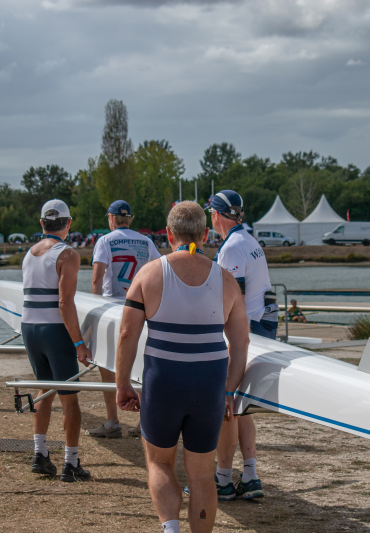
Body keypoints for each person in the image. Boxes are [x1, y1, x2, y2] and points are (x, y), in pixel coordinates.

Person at [115, 201, 249, 533]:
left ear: (168, 233)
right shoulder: (226, 280)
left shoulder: (149, 274)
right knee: (202, 474)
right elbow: (241, 343)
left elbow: (128, 334)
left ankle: (171, 529)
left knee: (160, 463)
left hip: (164, 381)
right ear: (205, 234)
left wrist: (123, 385)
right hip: (209, 384)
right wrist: (229, 391)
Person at [209, 190, 277, 501]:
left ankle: (223, 480)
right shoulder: (249, 241)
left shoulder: (232, 247)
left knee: (226, 405)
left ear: (216, 215)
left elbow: (233, 298)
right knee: (241, 407)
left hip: (243, 331)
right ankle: (250, 475)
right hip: (261, 326)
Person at [22, 199, 92, 483]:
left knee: (45, 390)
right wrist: (79, 343)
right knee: (69, 396)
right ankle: (70, 463)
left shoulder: (29, 254)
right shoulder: (68, 254)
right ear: (69, 223)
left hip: (29, 328)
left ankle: (40, 454)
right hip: (54, 331)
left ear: (42, 223)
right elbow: (65, 303)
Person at [87, 200, 161, 439]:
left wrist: (91, 315)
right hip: (140, 309)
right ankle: (143, 422)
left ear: (111, 218)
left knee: (107, 364)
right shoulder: (146, 241)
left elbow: (97, 280)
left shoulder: (104, 241)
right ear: (130, 219)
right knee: (142, 364)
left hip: (111, 310)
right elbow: (159, 274)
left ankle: (112, 421)